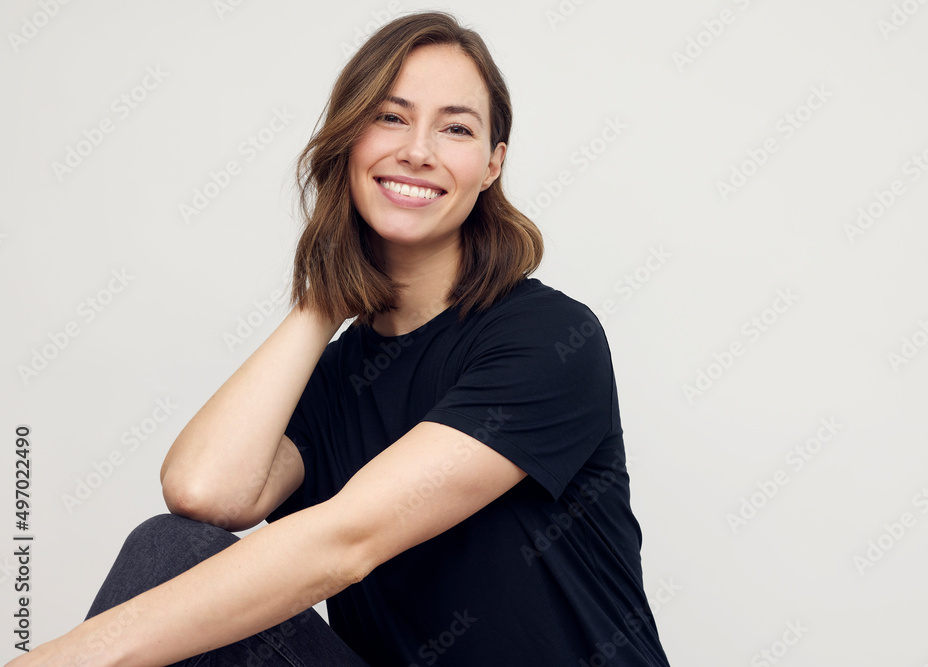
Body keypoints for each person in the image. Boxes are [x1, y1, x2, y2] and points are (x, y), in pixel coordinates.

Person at [7, 11, 671, 666]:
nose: (418, 149)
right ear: (349, 141)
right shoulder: (336, 377)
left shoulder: (550, 338)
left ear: (493, 164)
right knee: (169, 549)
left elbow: (347, 539)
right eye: (389, 117)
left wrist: (64, 658)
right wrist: (323, 297)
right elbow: (204, 492)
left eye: (456, 128)